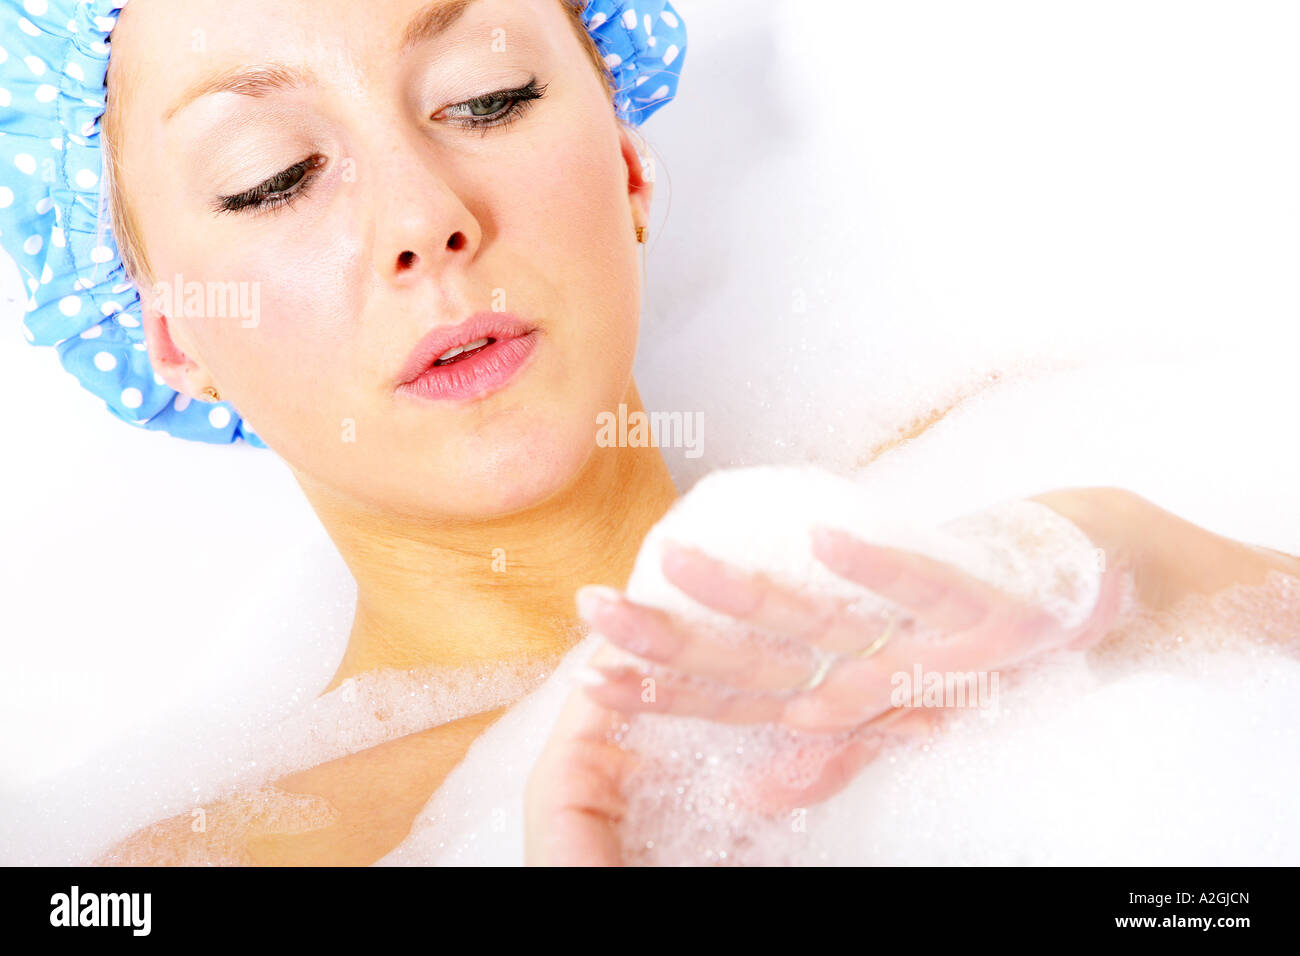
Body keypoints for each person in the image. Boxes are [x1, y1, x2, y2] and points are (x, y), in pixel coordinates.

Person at [3, 0, 1296, 866]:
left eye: (486, 96)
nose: (422, 216)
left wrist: (1168, 575)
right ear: (170, 332)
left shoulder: (1005, 488)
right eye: (271, 175)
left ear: (626, 162)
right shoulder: (215, 857)